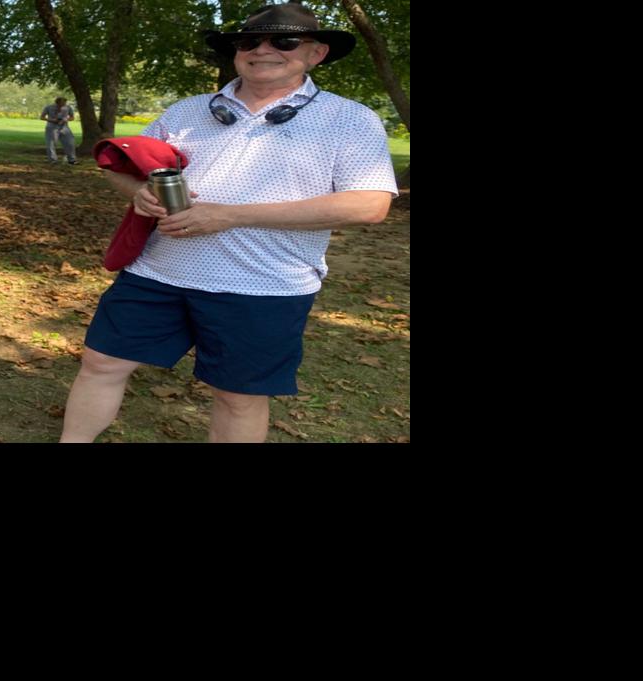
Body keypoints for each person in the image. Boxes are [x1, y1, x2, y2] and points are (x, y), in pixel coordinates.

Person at [60, 3, 398, 443]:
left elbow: (369, 205)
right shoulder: (187, 110)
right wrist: (139, 194)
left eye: (284, 41)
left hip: (263, 286)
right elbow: (119, 164)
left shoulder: (350, 119)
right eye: (249, 41)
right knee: (101, 362)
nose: (263, 50)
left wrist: (230, 216)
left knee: (237, 396)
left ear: (317, 53)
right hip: (157, 272)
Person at [41, 97, 76, 165]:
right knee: (51, 144)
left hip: (64, 127)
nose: (63, 105)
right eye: (61, 103)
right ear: (57, 102)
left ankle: (72, 160)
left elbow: (72, 117)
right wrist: (52, 120)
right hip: (52, 127)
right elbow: (42, 117)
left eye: (64, 103)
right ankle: (53, 160)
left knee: (70, 143)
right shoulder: (49, 107)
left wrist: (66, 119)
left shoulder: (68, 108)